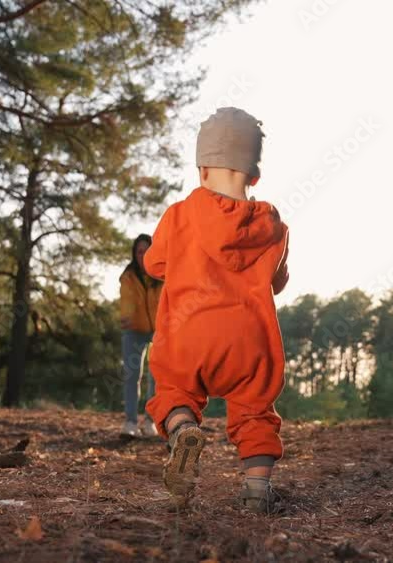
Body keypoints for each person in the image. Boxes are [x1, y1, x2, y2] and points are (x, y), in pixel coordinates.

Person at [143, 107, 290, 514]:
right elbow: (277, 281)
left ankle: (184, 429)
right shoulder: (274, 226)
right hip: (250, 341)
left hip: (190, 332)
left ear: (203, 169)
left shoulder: (180, 215)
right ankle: (257, 490)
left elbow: (154, 264)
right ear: (254, 175)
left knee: (174, 391)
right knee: (255, 411)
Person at [118, 234, 162, 438]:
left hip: (158, 331)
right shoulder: (128, 276)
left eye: (147, 251)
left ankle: (150, 422)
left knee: (156, 378)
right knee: (132, 376)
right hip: (134, 330)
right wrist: (126, 316)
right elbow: (127, 299)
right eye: (139, 252)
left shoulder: (162, 274)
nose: (143, 255)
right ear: (134, 254)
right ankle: (130, 422)